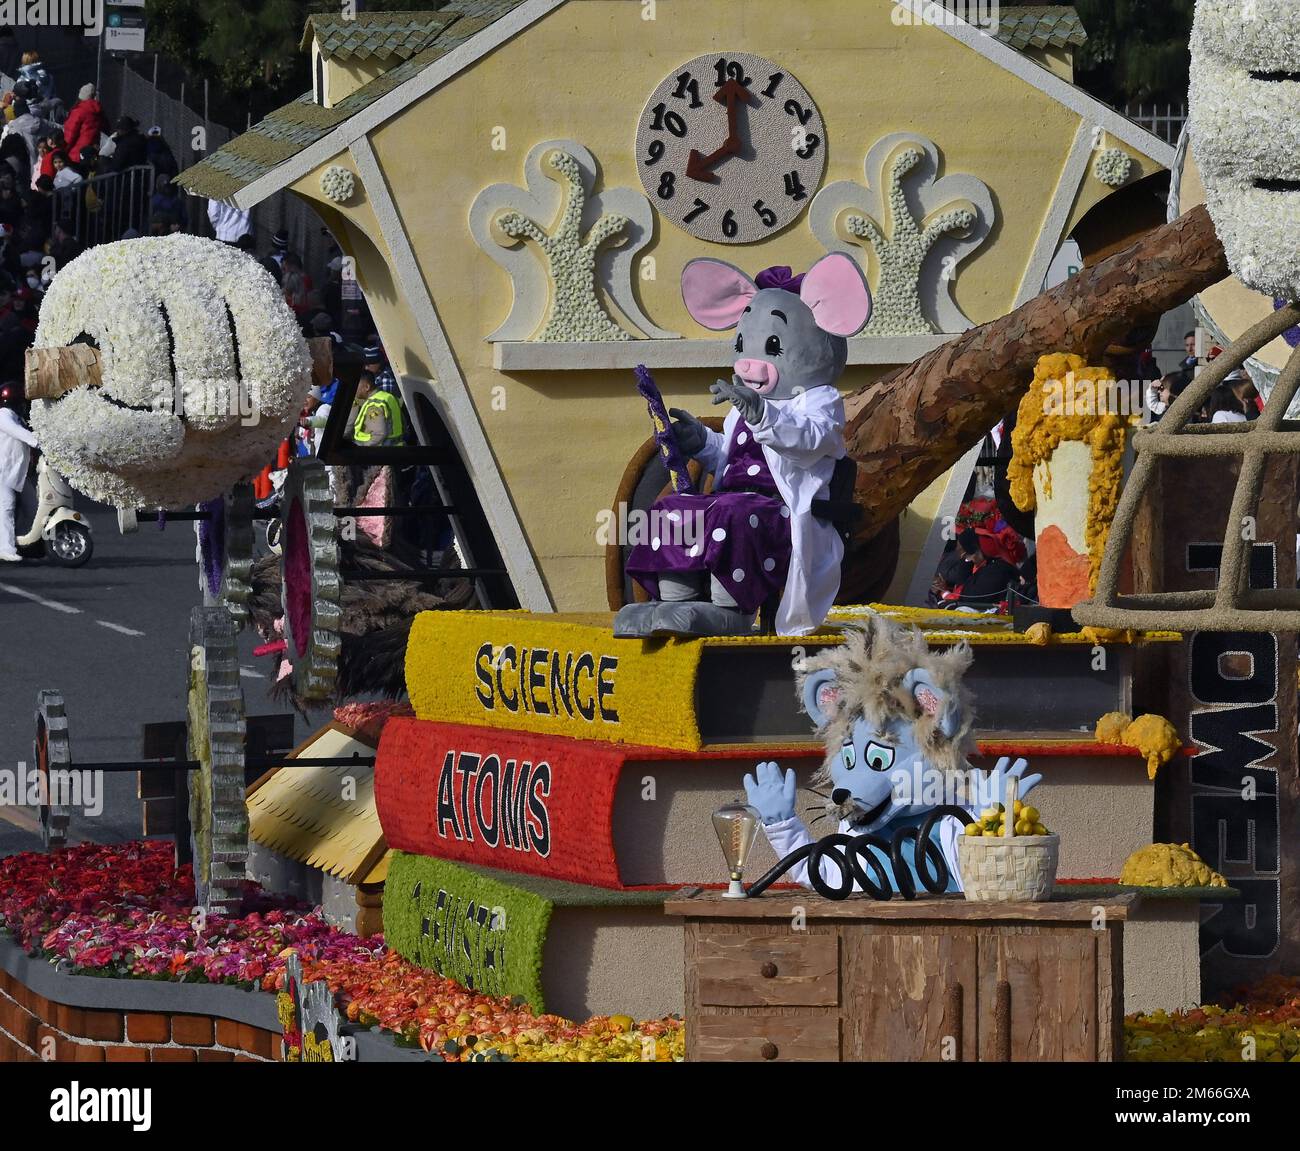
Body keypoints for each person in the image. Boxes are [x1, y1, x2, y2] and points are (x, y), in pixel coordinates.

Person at [938, 528, 1018, 610]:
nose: (968, 560)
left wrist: (944, 593)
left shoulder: (997, 570)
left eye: (967, 555)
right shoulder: (984, 566)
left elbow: (970, 598)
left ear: (979, 550)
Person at [0, 380, 36, 560]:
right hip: (2, 472)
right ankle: (6, 549)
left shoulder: (16, 417)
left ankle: (26, 542)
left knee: (34, 507)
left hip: (16, 472)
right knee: (6, 506)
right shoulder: (3, 416)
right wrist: (38, 441)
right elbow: (18, 433)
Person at [349, 369, 405, 447]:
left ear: (367, 387)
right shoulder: (388, 396)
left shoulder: (374, 405)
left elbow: (379, 435)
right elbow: (403, 425)